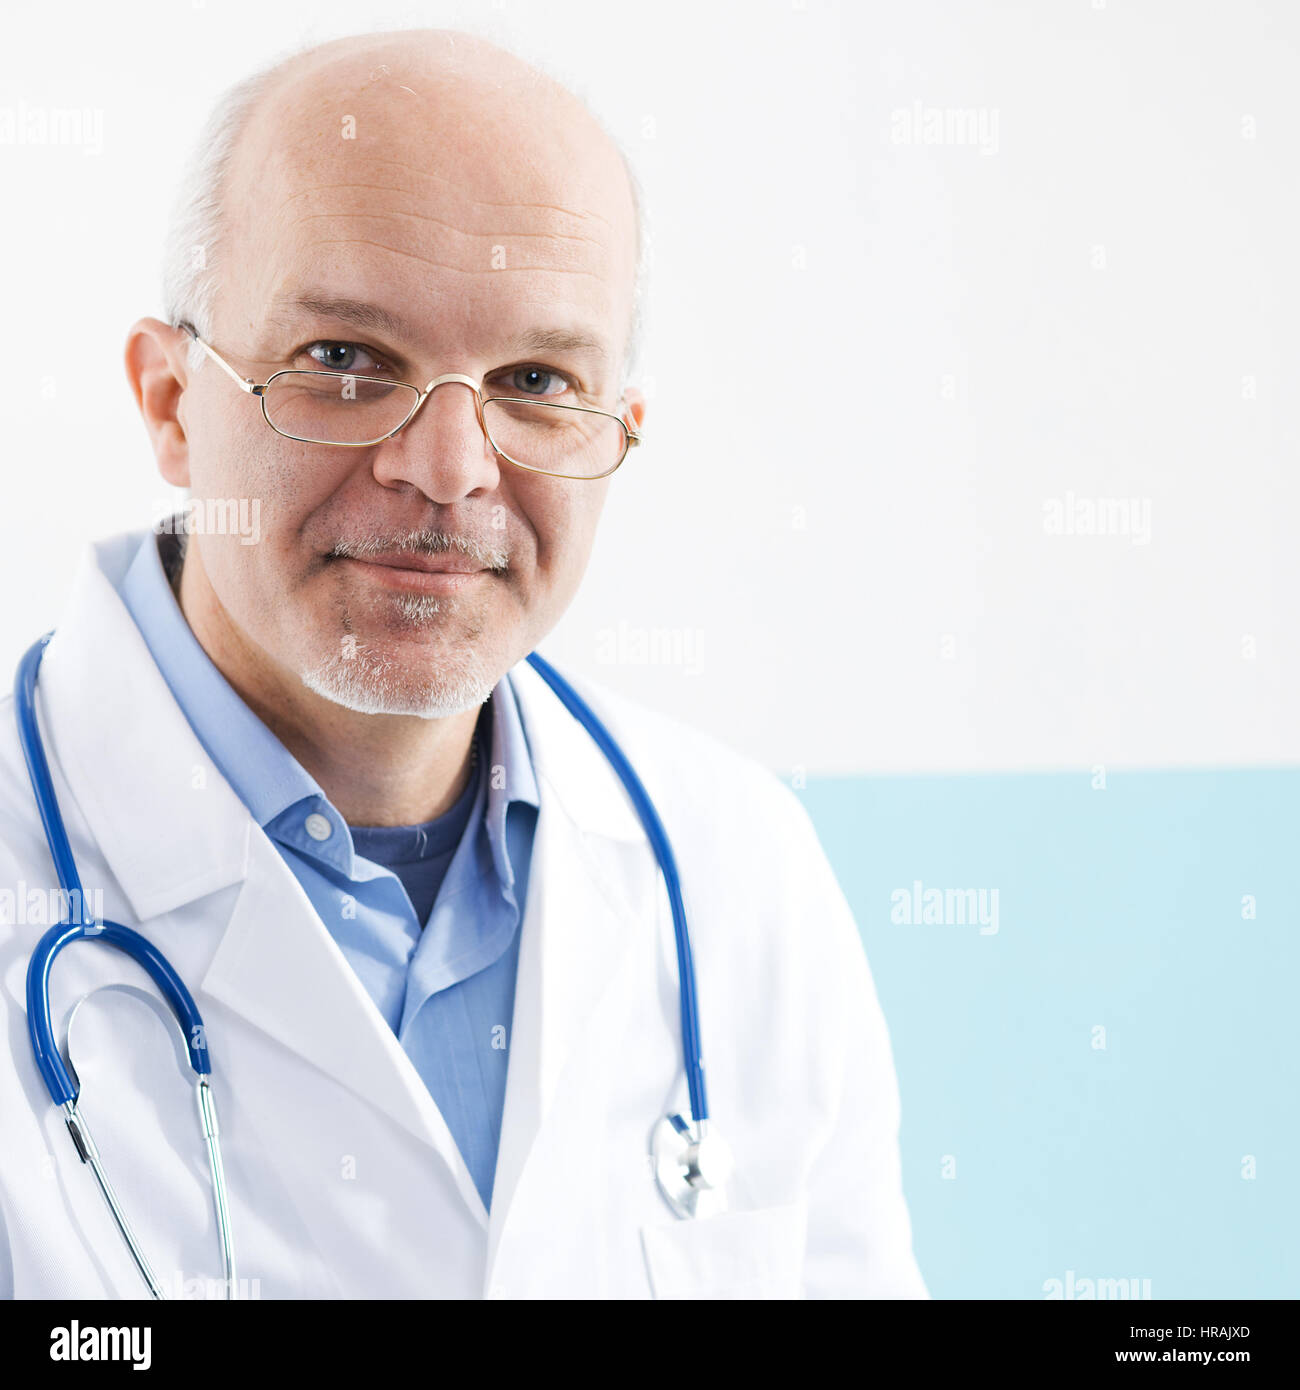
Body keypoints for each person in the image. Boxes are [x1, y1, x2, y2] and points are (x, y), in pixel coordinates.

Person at [0, 27, 927, 1299]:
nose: (448, 469)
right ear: (171, 403)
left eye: (537, 379)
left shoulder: (737, 874)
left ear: (619, 434)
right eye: (345, 361)